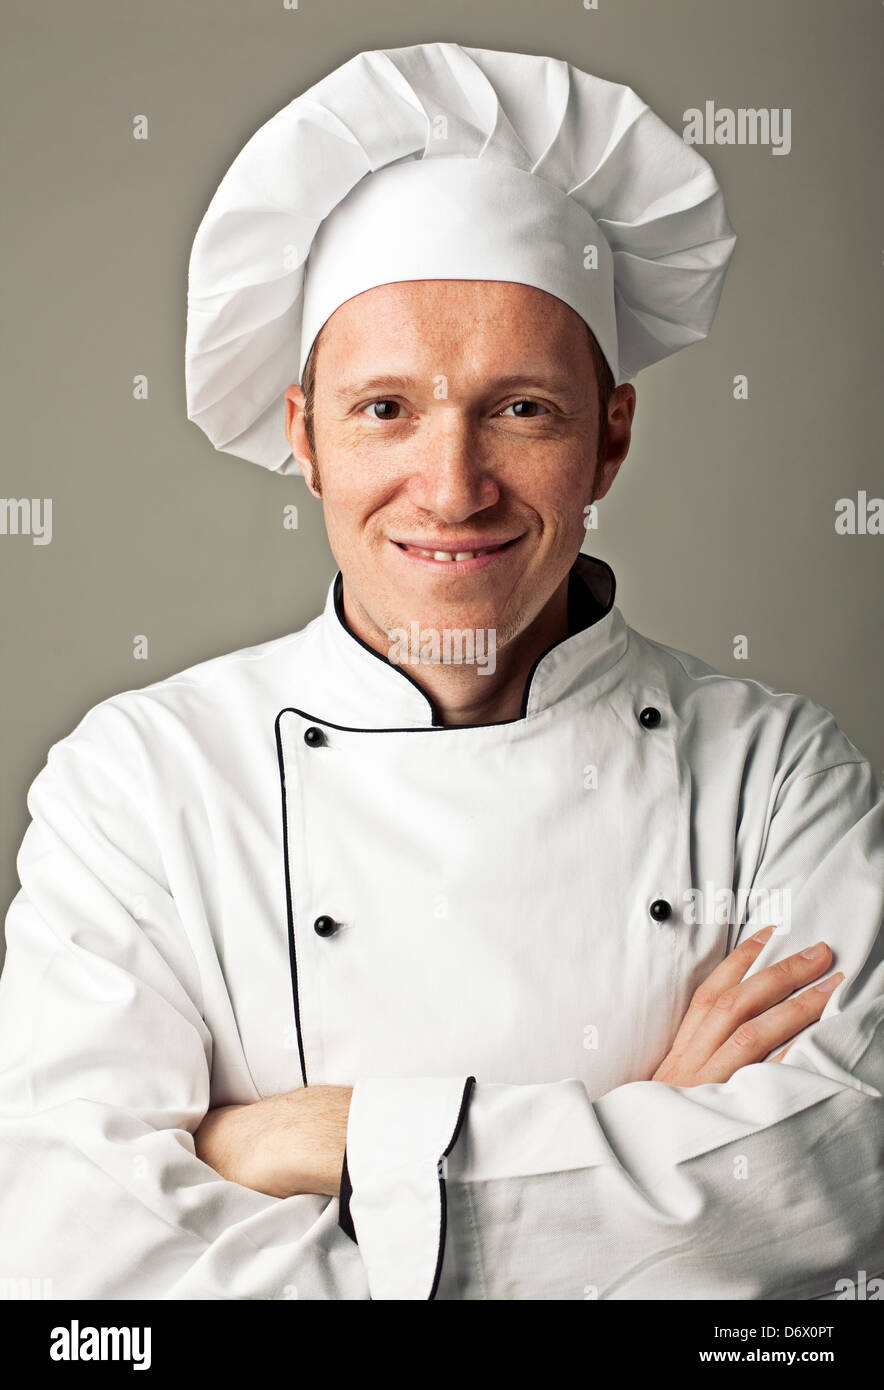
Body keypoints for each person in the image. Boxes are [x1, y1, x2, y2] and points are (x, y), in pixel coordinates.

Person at [0, 42, 881, 1301]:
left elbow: (836, 1164)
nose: (454, 488)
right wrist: (646, 1142)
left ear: (610, 437)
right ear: (304, 434)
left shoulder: (774, 772)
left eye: (522, 408)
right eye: (384, 410)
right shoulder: (138, 782)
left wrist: (327, 1140)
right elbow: (72, 1251)